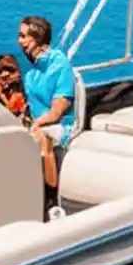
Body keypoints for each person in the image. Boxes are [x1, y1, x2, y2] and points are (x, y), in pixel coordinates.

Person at [18, 15, 76, 194]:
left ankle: (51, 194)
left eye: (23, 36)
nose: (19, 41)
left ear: (37, 38)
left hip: (60, 127)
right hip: (37, 124)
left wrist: (35, 125)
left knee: (42, 139)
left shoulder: (59, 65)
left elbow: (57, 112)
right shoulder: (31, 74)